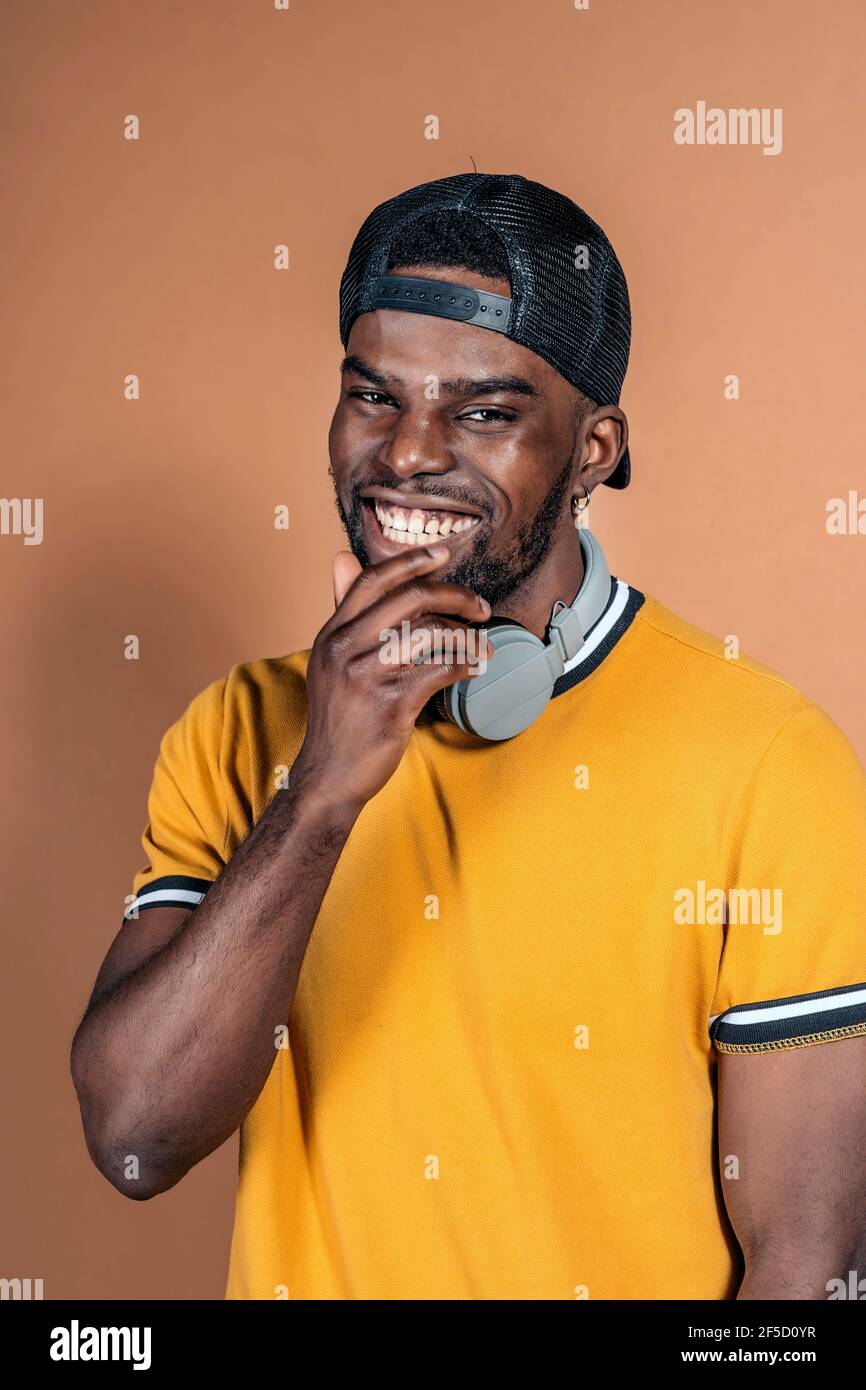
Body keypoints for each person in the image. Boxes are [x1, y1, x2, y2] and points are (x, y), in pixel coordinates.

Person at [71, 173, 866, 1300]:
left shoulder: (767, 761)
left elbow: (805, 1263)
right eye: (373, 397)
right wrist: (320, 793)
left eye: (483, 412)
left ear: (593, 450)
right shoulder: (237, 731)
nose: (405, 454)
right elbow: (133, 1137)